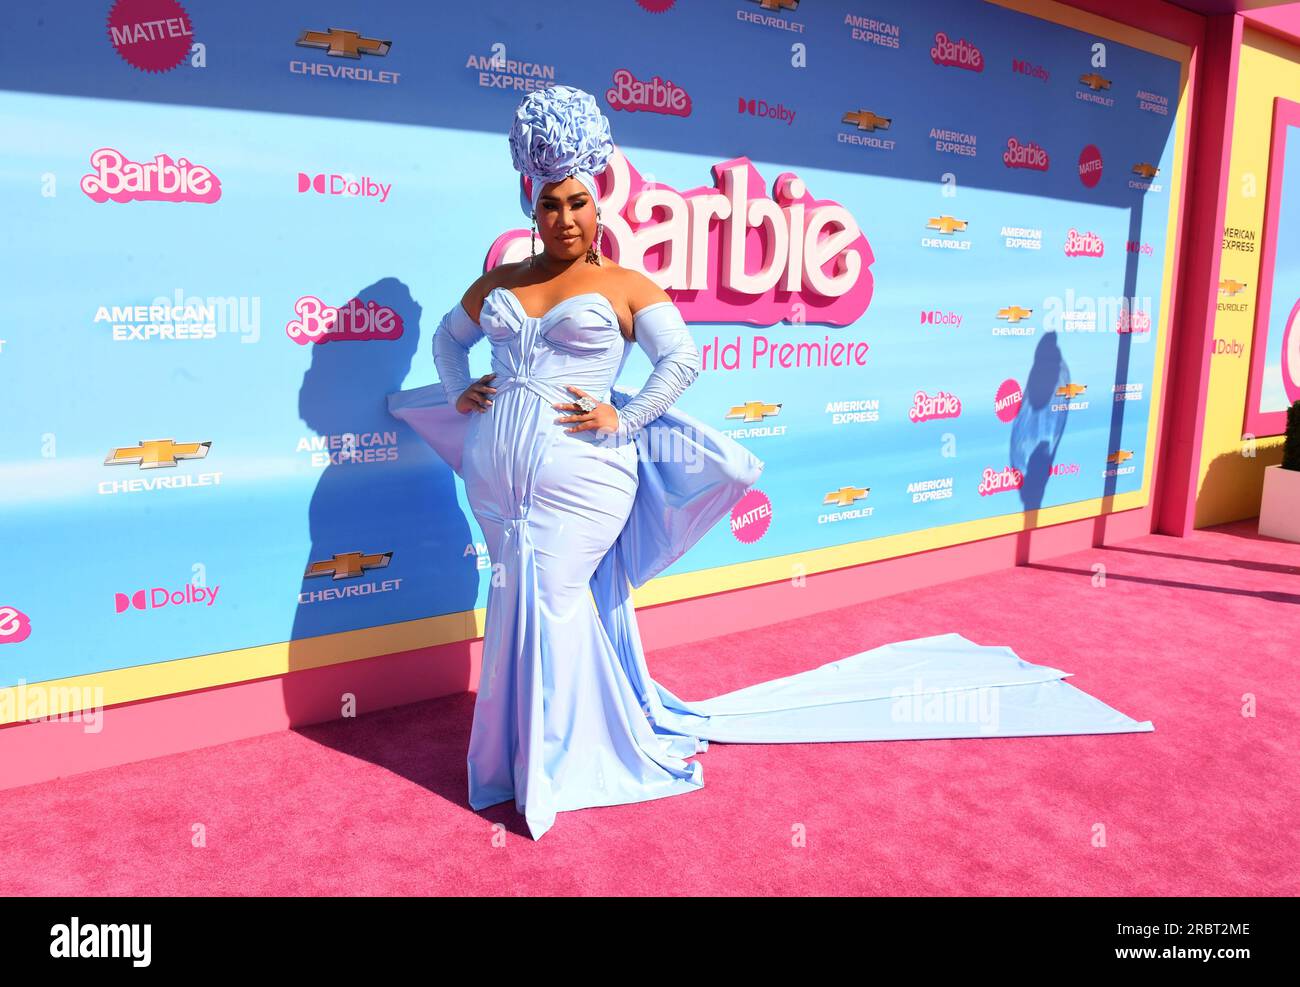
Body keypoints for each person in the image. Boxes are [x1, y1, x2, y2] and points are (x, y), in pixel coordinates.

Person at [388, 85, 1154, 842]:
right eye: (551, 202)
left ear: (599, 204)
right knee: (520, 601)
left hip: (584, 480)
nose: (564, 217)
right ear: (532, 203)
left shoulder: (625, 284)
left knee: (554, 600)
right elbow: (446, 341)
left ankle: (563, 762)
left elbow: (680, 360)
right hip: (496, 488)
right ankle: (519, 762)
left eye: (578, 201)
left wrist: (626, 415)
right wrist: (462, 392)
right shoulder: (499, 283)